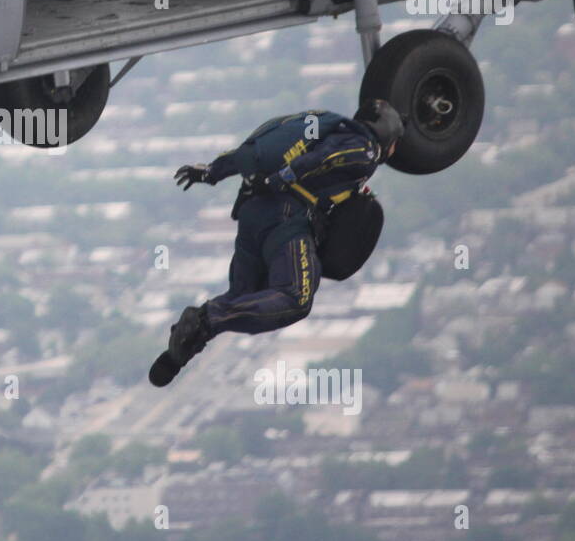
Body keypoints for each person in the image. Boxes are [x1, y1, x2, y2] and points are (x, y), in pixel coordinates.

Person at [149, 100, 404, 387]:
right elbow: (323, 159)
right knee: (296, 297)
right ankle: (206, 320)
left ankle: (177, 355)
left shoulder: (319, 129)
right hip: (285, 218)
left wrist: (211, 172)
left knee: (244, 296)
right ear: (387, 136)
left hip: (252, 217)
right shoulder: (365, 148)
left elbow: (254, 154)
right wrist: (278, 181)